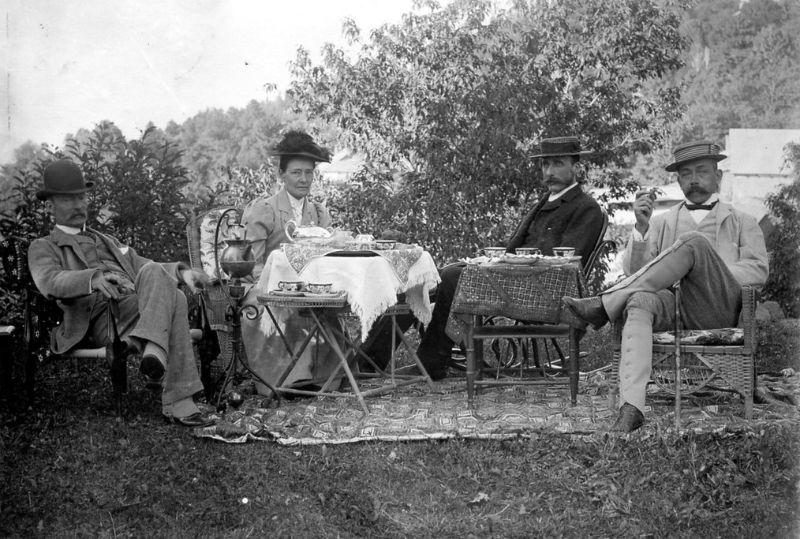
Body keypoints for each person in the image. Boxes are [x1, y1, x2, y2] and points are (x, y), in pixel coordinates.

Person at [563, 140, 769, 432]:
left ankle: (603, 304)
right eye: (686, 174)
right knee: (638, 302)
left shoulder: (742, 221)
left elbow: (759, 269)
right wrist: (642, 229)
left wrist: (705, 269)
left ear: (718, 177)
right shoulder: (659, 223)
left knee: (694, 244)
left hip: (717, 307)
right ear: (678, 180)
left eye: (701, 171)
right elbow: (636, 275)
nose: (694, 179)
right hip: (672, 307)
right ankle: (631, 407)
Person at [28, 160, 215, 427]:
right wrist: (93, 278)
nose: (79, 205)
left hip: (136, 310)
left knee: (162, 280)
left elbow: (149, 269)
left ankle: (156, 356)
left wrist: (184, 273)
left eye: (82, 197)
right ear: (50, 206)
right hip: (97, 319)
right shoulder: (44, 246)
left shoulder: (108, 241)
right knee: (177, 299)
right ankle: (176, 396)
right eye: (69, 200)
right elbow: (49, 280)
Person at [416, 136, 606, 379]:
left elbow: (566, 263)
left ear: (577, 168)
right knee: (435, 276)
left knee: (453, 277)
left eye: (557, 164)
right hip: (512, 279)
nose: (549, 171)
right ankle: (380, 359)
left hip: (543, 291)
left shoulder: (585, 207)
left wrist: (509, 266)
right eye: (545, 165)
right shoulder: (544, 202)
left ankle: (431, 363)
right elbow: (512, 248)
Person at [240, 131, 337, 394]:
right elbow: (250, 262)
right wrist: (281, 285)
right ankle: (282, 381)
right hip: (267, 286)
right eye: (296, 173)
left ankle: (323, 379)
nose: (303, 179)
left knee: (326, 307)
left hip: (312, 288)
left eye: (308, 173)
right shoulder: (266, 209)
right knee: (272, 310)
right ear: (281, 174)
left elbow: (328, 255)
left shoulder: (318, 212)